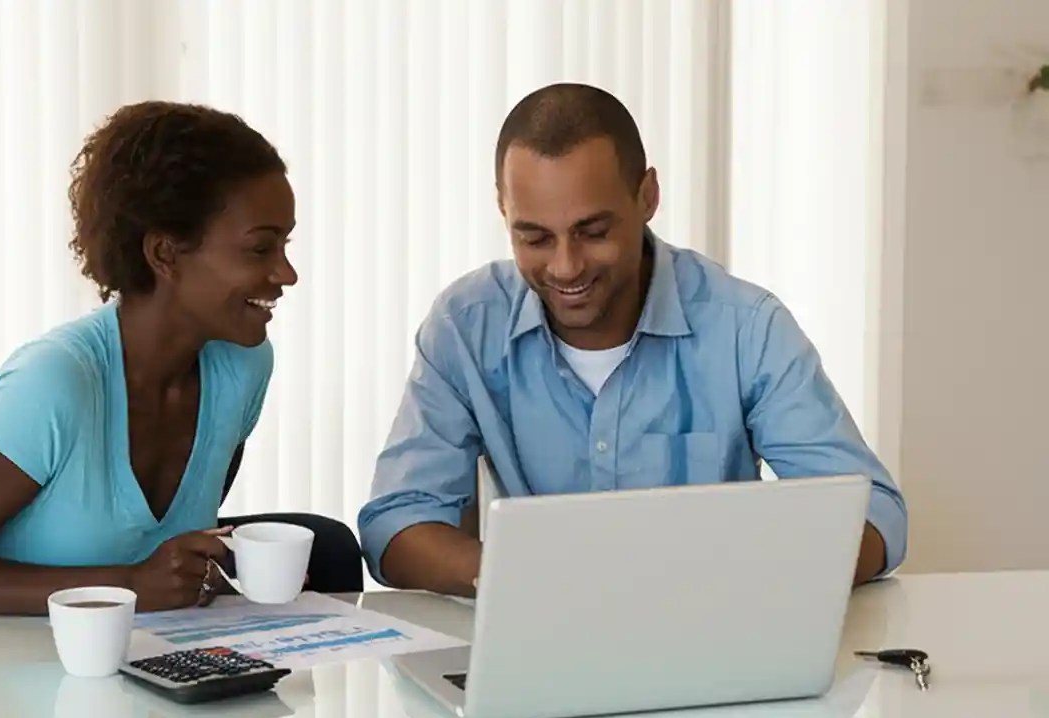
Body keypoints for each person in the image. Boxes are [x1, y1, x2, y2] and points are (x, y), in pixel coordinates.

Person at [357, 83, 907, 596]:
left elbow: (875, 517)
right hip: (538, 635)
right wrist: (536, 583)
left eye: (594, 232)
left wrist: (713, 577)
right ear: (504, 208)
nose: (566, 266)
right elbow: (397, 523)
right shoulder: (465, 325)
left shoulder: (746, 326)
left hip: (711, 632)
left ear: (647, 196)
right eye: (535, 237)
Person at [0, 101, 362, 615]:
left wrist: (205, 572)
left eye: (285, 245)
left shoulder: (244, 367)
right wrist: (132, 585)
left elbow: (163, 548)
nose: (286, 273)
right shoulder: (54, 381)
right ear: (164, 255)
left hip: (111, 671)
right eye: (260, 249)